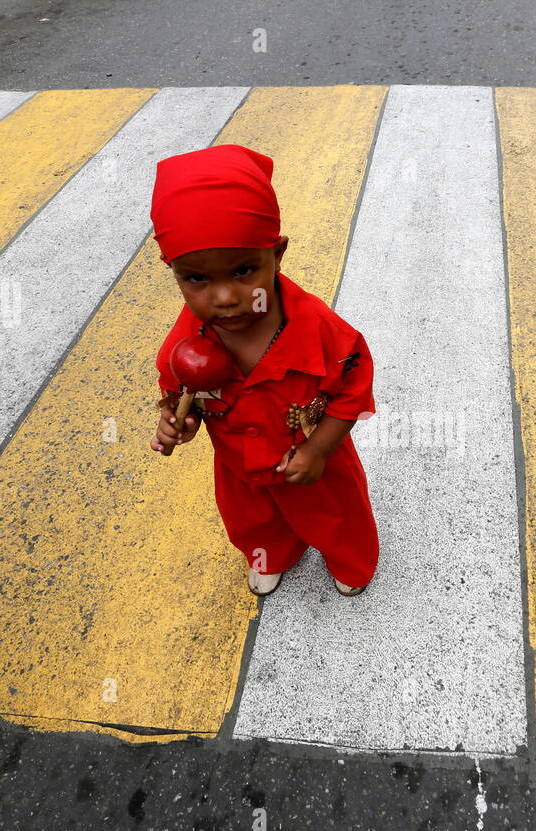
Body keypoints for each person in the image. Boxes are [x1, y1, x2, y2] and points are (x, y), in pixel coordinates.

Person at [148, 144, 379, 597]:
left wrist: (318, 450)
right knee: (253, 519)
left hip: (314, 463)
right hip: (240, 466)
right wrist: (177, 422)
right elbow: (180, 398)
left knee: (338, 515)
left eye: (243, 270)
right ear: (173, 270)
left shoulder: (325, 334)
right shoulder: (181, 349)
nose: (224, 297)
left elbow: (353, 393)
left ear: (277, 253)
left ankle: (352, 563)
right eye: (196, 278)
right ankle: (270, 552)